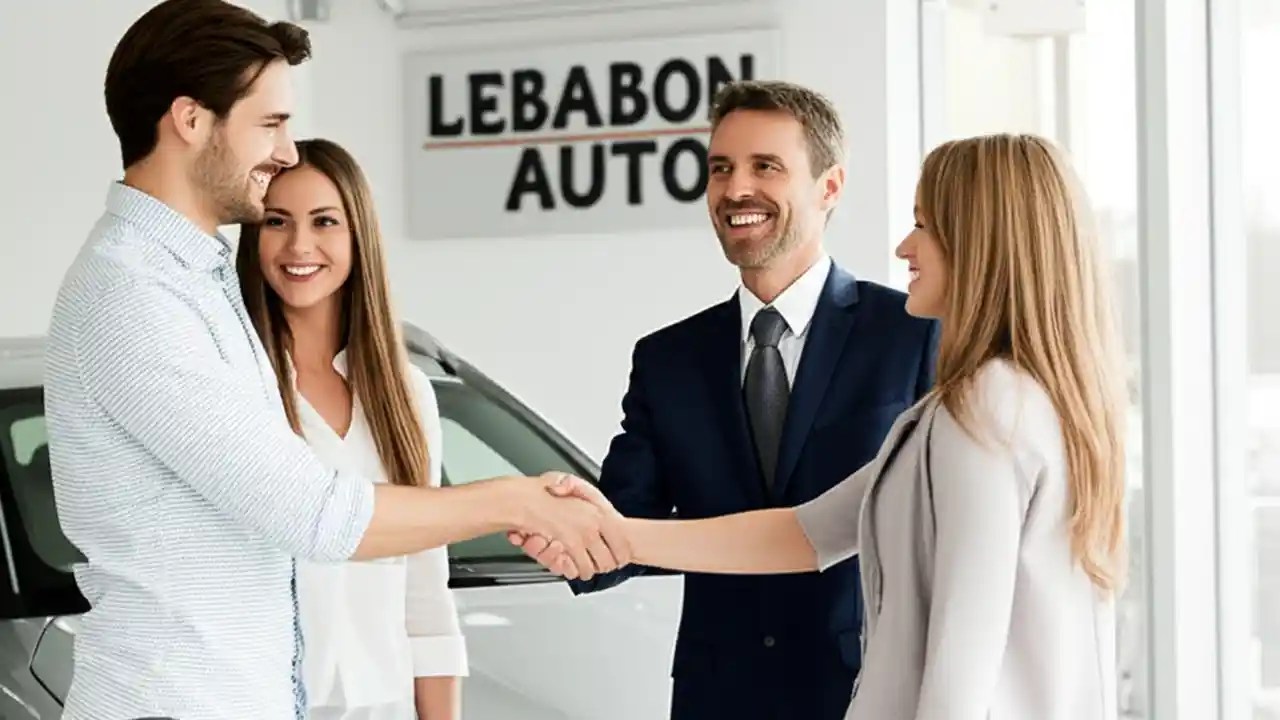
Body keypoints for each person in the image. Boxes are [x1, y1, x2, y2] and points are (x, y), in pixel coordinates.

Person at [42, 2, 627, 719]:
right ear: (192, 121)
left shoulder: (193, 280)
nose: (286, 152)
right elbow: (313, 515)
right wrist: (513, 498)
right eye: (270, 123)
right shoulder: (132, 294)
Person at [528, 132, 1129, 720]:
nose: (903, 247)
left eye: (923, 224)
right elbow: (804, 534)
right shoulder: (980, 408)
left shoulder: (990, 410)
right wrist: (617, 535)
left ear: (982, 243)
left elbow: (962, 654)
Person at [516, 80, 940, 720]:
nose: (736, 189)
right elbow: (630, 524)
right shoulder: (667, 359)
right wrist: (572, 542)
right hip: (717, 699)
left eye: (765, 166)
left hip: (868, 696)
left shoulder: (911, 334)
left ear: (829, 187)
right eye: (721, 169)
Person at [235, 138, 467, 719]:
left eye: (324, 222)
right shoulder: (237, 384)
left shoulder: (407, 393)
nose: (299, 246)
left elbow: (426, 596)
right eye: (276, 222)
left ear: (357, 234)